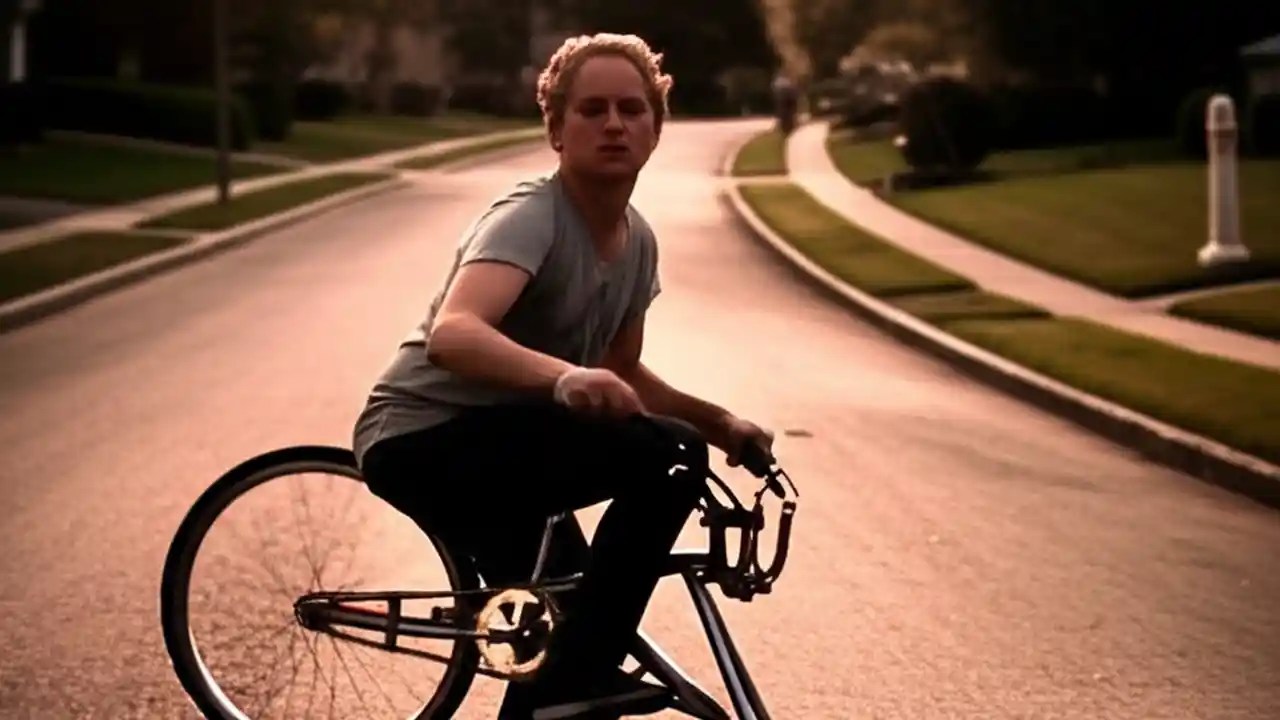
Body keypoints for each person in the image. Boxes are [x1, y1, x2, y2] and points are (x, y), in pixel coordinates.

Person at [352, 32, 775, 719]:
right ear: (555, 129)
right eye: (592, 109)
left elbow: (622, 371)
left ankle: (567, 685)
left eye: (632, 110)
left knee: (562, 628)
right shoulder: (530, 218)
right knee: (668, 456)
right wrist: (563, 380)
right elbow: (454, 334)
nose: (614, 124)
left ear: (656, 129)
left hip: (507, 443)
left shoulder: (637, 241)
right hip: (424, 438)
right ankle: (581, 676)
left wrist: (722, 424)